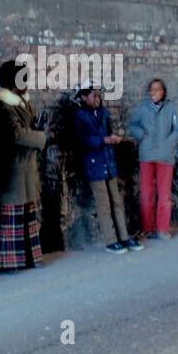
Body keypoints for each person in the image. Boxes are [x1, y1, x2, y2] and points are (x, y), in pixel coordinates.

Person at [0, 60, 48, 271]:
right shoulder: (3, 107)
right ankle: (11, 261)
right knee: (13, 213)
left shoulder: (23, 102)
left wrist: (38, 127)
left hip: (26, 166)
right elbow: (16, 135)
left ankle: (30, 258)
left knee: (27, 213)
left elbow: (27, 128)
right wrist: (42, 137)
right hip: (13, 167)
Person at [73, 85, 141, 253]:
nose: (97, 98)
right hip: (93, 164)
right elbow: (81, 140)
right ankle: (111, 241)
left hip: (108, 161)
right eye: (93, 96)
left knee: (117, 201)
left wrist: (112, 139)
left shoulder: (103, 113)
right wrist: (104, 140)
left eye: (98, 95)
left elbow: (107, 133)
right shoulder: (79, 116)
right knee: (103, 204)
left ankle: (124, 237)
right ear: (83, 97)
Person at [127, 78, 178, 239]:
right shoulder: (143, 107)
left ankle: (162, 228)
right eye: (151, 89)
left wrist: (169, 142)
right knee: (146, 194)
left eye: (157, 89)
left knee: (164, 195)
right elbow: (132, 125)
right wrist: (141, 134)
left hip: (165, 157)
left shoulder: (171, 107)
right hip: (146, 155)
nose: (153, 92)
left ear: (163, 92)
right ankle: (148, 228)